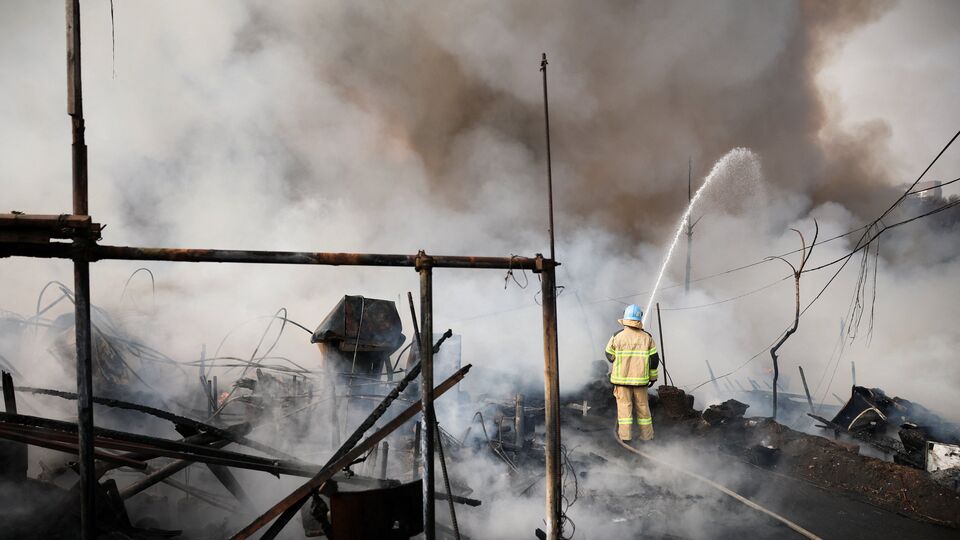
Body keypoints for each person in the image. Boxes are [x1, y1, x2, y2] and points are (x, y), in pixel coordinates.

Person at [604, 304, 660, 442]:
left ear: (625, 318)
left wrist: (616, 359)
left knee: (624, 409)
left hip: (621, 381)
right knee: (643, 408)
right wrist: (653, 377)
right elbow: (654, 360)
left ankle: (625, 437)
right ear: (639, 318)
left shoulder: (617, 336)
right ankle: (647, 437)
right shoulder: (647, 337)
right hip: (641, 381)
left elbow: (608, 354)